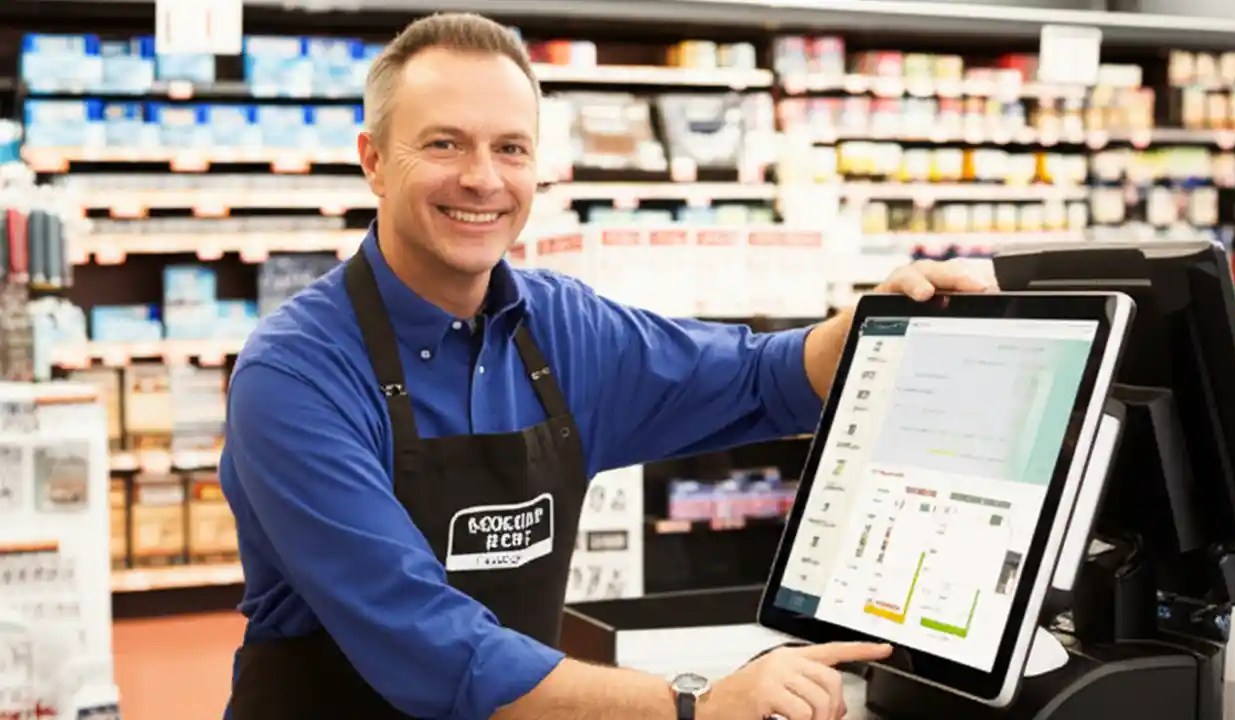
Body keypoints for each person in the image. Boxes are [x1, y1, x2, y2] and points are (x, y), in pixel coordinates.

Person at [219, 11, 996, 720]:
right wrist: (694, 705)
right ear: (375, 161)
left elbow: (765, 378)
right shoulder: (295, 374)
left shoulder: (564, 331)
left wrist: (879, 322)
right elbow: (428, 645)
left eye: (510, 148)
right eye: (444, 143)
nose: (483, 178)